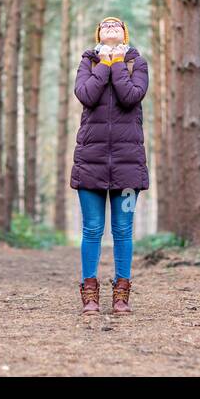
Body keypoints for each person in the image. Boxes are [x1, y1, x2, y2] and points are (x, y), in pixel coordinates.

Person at [70, 16, 149, 315]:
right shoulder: (87, 62)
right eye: (106, 25)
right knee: (91, 229)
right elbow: (86, 95)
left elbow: (131, 96)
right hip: (90, 163)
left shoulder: (136, 63)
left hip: (128, 168)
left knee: (123, 230)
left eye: (117, 25)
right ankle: (90, 294)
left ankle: (121, 295)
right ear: (99, 33)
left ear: (125, 33)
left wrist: (117, 62)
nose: (112, 27)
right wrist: (103, 64)